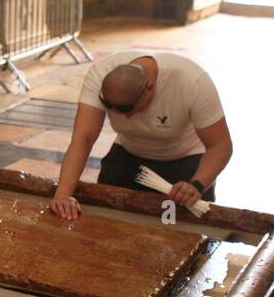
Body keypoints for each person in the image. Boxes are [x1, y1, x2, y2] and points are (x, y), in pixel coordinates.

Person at [50, 50, 233, 220]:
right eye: (112, 108)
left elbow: (220, 145)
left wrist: (197, 185)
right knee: (110, 223)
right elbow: (84, 138)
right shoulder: (101, 73)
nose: (125, 117)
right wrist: (63, 194)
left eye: (127, 108)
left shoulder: (191, 81)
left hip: (185, 159)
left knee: (176, 228)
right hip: (128, 153)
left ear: (150, 88)